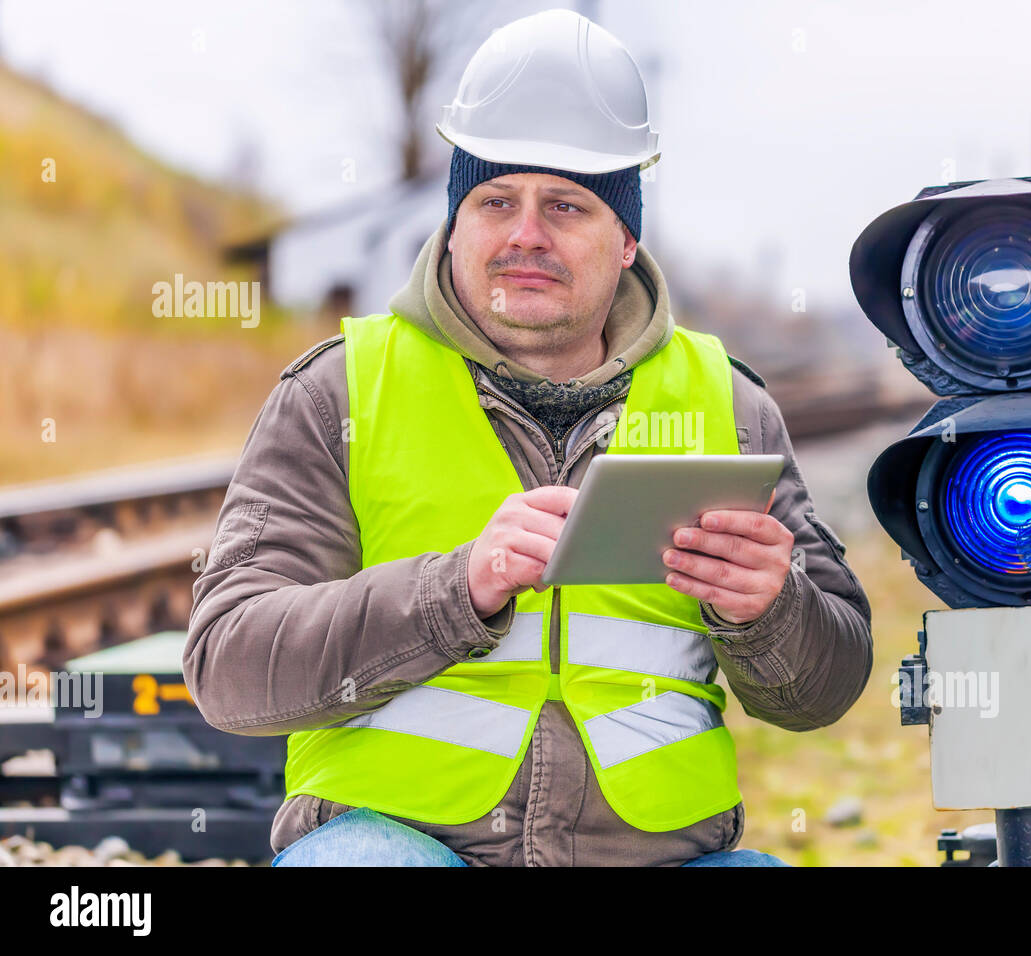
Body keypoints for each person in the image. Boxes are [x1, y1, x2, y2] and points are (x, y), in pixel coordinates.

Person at [184, 8, 871, 867]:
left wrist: (771, 611)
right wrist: (454, 589)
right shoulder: (340, 391)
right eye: (495, 201)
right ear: (455, 219)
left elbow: (828, 686)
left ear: (626, 239)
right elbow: (229, 668)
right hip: (399, 844)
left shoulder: (728, 404)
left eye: (566, 206)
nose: (525, 235)